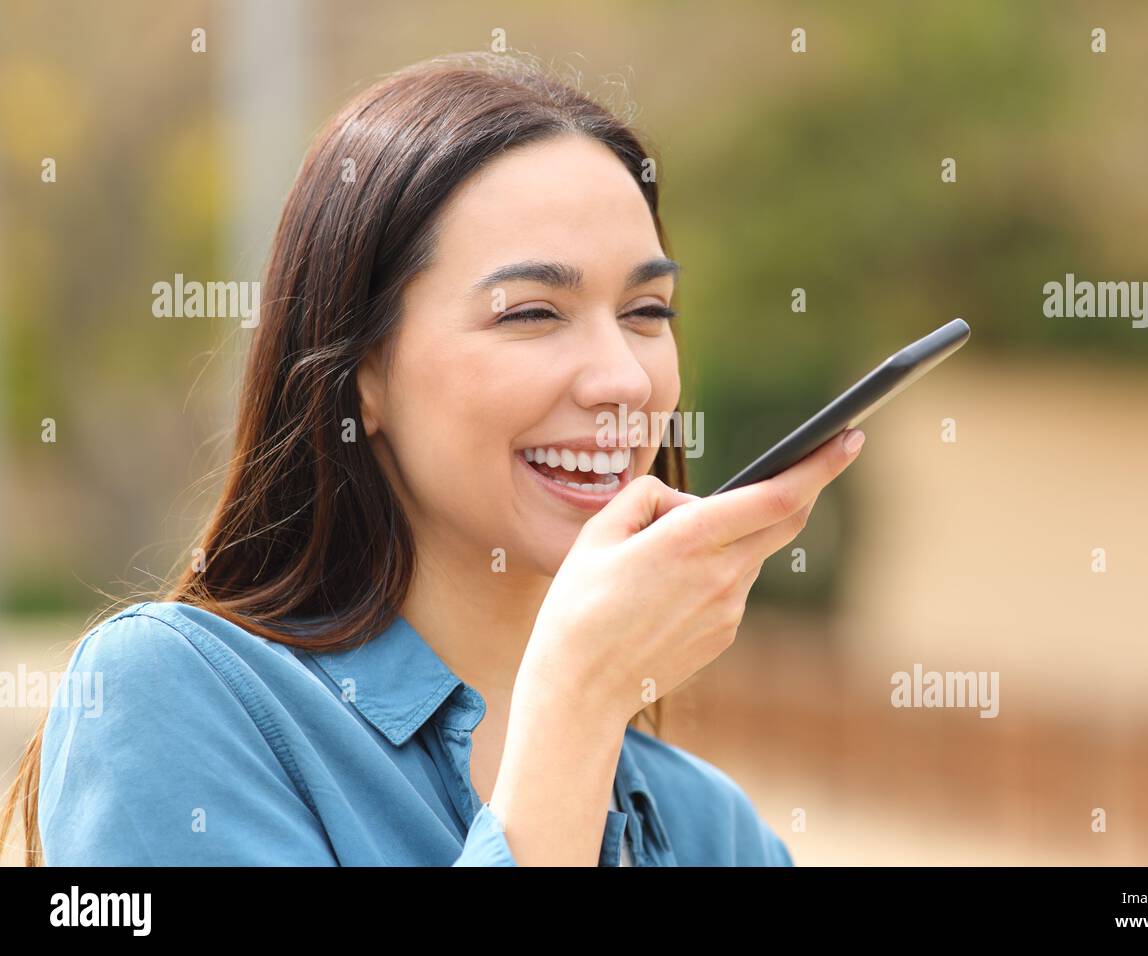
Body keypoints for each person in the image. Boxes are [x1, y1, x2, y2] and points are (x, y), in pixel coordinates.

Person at [1, 51, 864, 866]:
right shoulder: (172, 698)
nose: (621, 379)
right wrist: (578, 705)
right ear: (362, 373)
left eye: (646, 310)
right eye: (531, 313)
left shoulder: (710, 827)